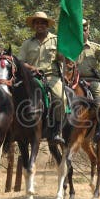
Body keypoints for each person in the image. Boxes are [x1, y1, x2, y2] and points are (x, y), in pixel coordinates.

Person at [19, 11, 65, 145]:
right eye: (37, 22)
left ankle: (57, 131)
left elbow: (64, 59)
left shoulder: (57, 40)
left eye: (42, 23)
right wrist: (31, 68)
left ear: (47, 25)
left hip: (51, 77)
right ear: (33, 25)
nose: (40, 25)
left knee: (62, 98)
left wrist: (64, 53)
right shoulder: (27, 43)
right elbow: (20, 61)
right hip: (31, 77)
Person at [73, 19, 100, 136]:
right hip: (74, 81)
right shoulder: (69, 47)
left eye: (85, 30)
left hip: (92, 81)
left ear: (88, 31)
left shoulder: (95, 47)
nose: (83, 32)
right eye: (80, 30)